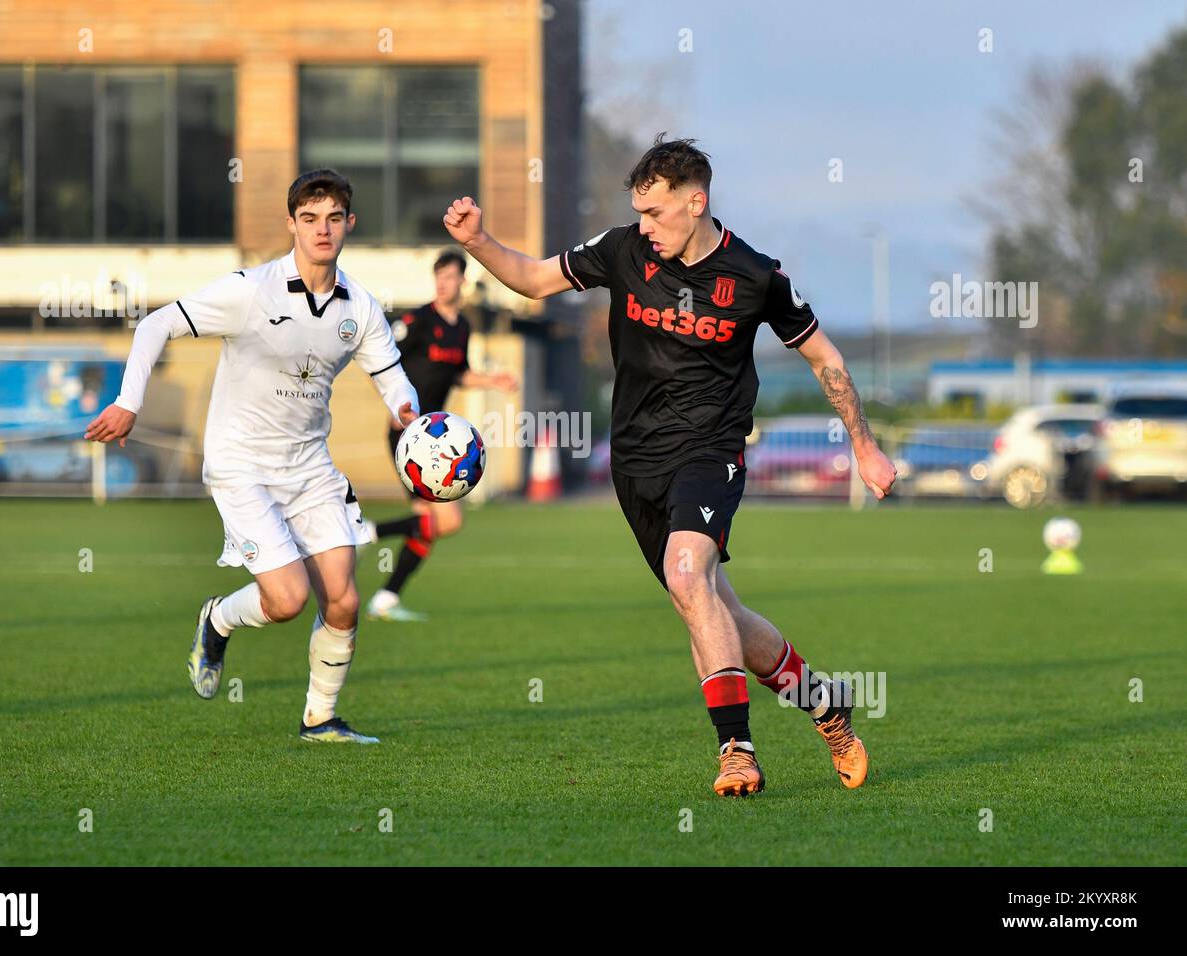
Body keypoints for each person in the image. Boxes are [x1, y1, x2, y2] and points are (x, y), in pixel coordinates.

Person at [441, 136, 897, 795]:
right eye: (640, 212)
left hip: (710, 453)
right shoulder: (623, 250)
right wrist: (480, 240)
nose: (644, 225)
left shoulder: (756, 276)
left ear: (696, 202)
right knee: (711, 607)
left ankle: (736, 751)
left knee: (689, 575)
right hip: (635, 463)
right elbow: (536, 279)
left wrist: (863, 444)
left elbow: (824, 357)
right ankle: (825, 704)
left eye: (655, 213)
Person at [85, 168, 419, 745]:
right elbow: (159, 322)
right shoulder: (250, 290)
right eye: (310, 219)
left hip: (310, 465)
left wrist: (412, 417)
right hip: (241, 464)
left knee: (342, 599)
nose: (322, 230)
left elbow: (393, 379)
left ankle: (321, 719)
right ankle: (217, 619)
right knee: (287, 599)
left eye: (334, 219)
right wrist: (128, 402)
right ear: (291, 223)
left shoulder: (360, 307)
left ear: (349, 225)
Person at [367, 249, 518, 622]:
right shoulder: (418, 319)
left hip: (432, 438)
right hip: (408, 436)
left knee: (434, 524)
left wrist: (492, 380)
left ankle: (382, 587)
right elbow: (384, 363)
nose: (444, 283)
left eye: (450, 276)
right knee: (447, 521)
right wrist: (397, 408)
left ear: (462, 281)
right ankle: (367, 542)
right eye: (439, 276)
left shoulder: (461, 327)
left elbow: (458, 373)